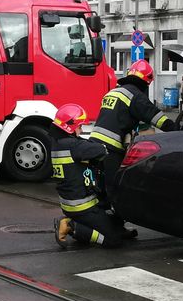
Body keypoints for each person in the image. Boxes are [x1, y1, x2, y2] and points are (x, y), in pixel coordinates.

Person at [88, 59, 178, 194]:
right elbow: (158, 120)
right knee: (114, 185)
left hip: (94, 142)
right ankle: (113, 211)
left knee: (98, 182)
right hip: (111, 148)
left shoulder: (114, 92)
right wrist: (179, 130)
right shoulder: (136, 96)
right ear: (146, 81)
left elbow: (120, 116)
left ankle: (99, 209)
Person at [51, 102, 131, 248]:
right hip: (83, 208)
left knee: (109, 223)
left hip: (70, 205)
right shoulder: (74, 146)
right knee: (113, 241)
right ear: (71, 126)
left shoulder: (57, 144)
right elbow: (100, 150)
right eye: (80, 126)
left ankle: (82, 227)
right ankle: (71, 226)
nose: (81, 130)